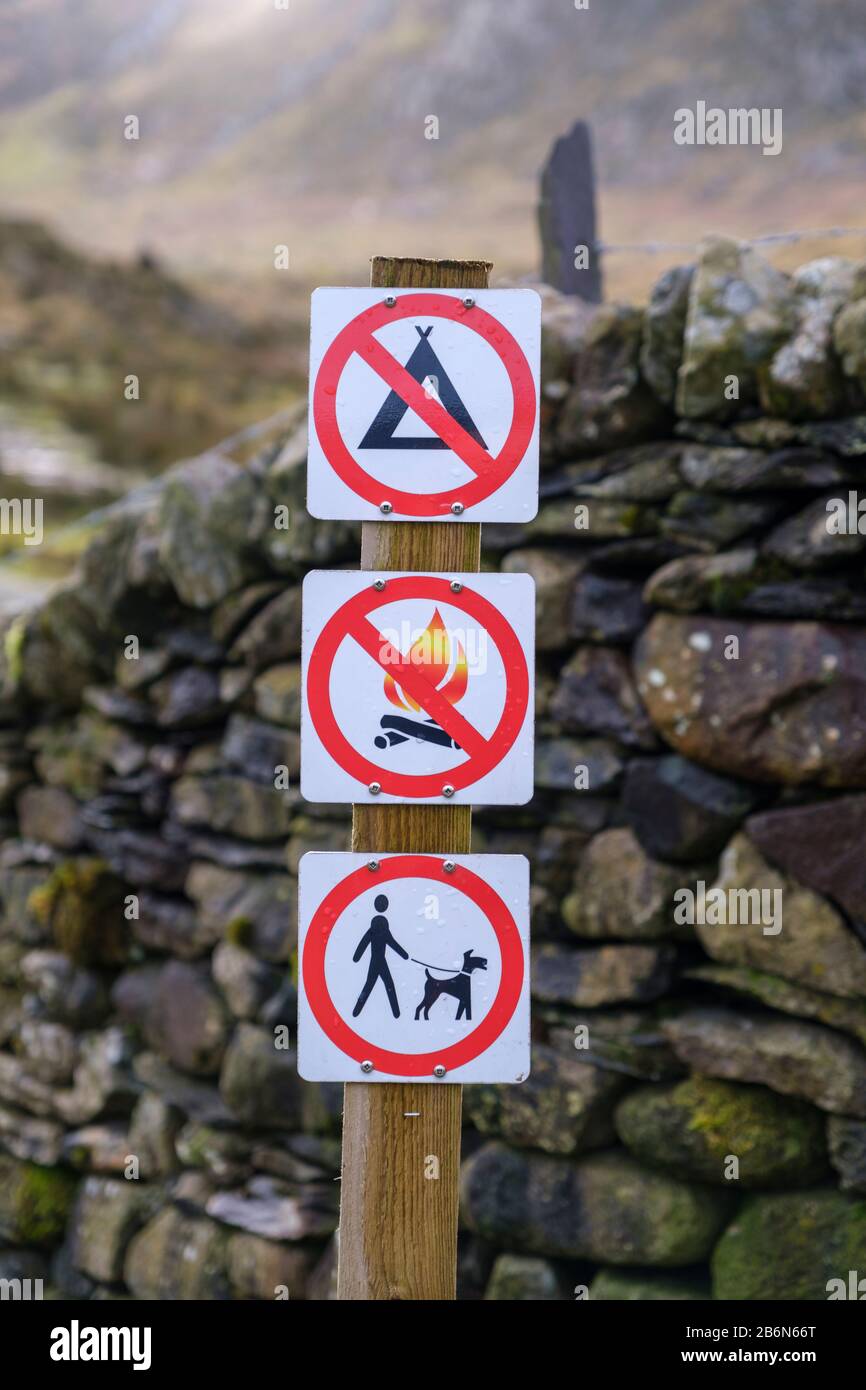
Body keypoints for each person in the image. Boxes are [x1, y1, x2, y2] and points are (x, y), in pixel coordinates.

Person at [352, 894, 408, 1018]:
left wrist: (356, 958)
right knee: (388, 985)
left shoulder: (372, 930)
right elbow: (394, 944)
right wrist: (405, 955)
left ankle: (356, 1011)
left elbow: (363, 944)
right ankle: (396, 1013)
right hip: (381, 962)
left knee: (370, 985)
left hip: (376, 962)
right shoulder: (384, 931)